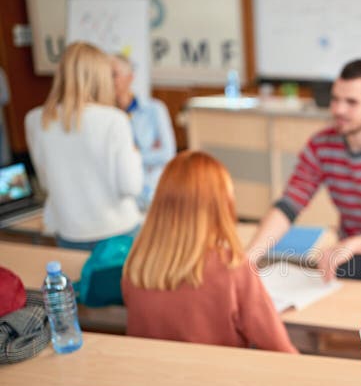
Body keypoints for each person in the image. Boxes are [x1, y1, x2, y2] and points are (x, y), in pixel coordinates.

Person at [247, 59, 361, 285]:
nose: (338, 109)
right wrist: (250, 257)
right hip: (351, 247)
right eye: (335, 99)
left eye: (351, 102)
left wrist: (353, 245)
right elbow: (289, 205)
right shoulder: (321, 145)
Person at [122, 150, 297, 353]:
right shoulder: (233, 267)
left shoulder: (136, 264)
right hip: (218, 381)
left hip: (150, 379)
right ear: (221, 205)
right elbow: (279, 348)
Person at [25, 42, 142, 250]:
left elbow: (44, 182)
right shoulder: (114, 120)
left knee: (78, 283)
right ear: (100, 77)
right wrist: (135, 154)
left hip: (69, 230)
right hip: (118, 231)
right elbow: (130, 186)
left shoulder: (35, 120)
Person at [111, 54, 176, 210]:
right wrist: (147, 154)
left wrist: (131, 156)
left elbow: (167, 153)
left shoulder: (154, 109)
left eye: (114, 74)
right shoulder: (105, 115)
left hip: (152, 190)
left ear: (130, 77)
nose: (109, 81)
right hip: (117, 193)